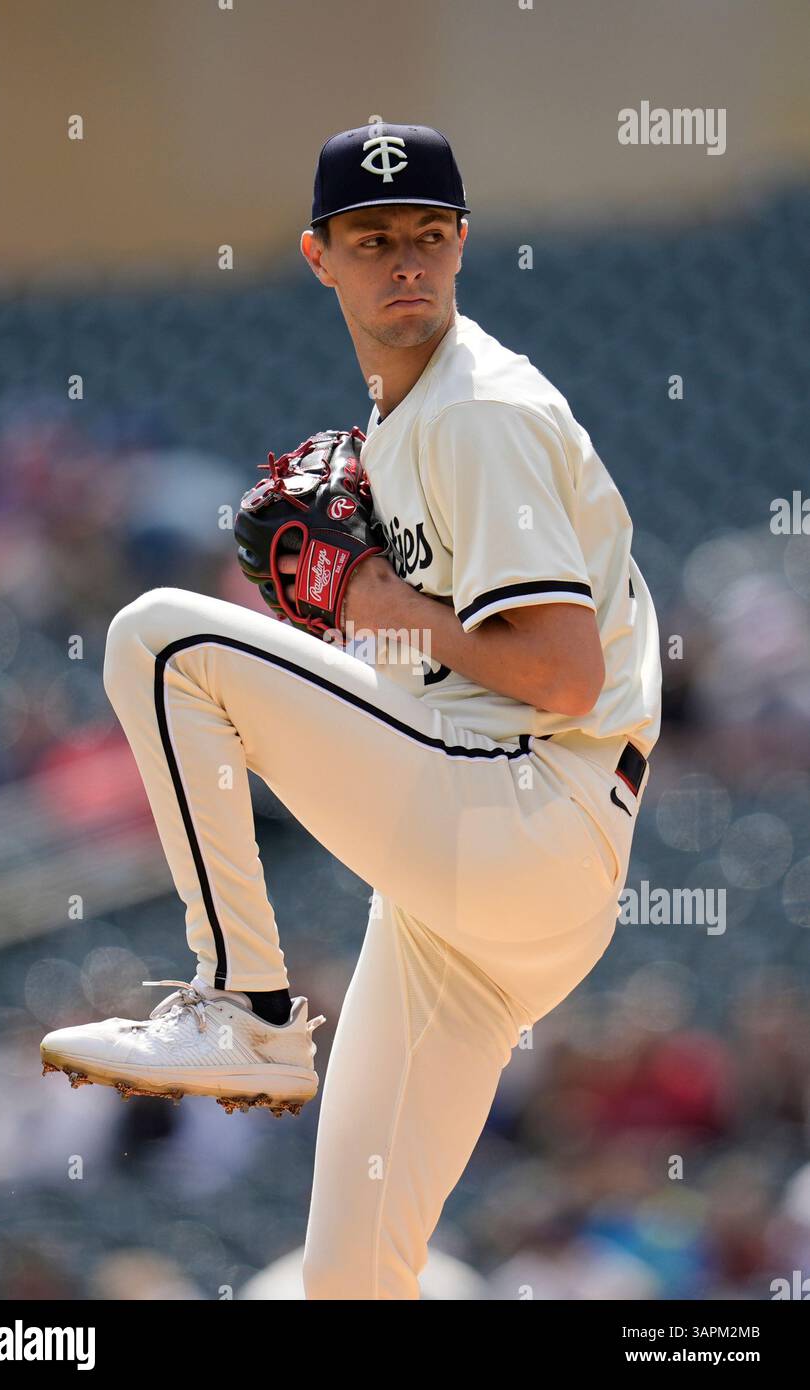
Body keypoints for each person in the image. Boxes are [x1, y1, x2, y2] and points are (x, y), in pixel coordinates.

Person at [40, 117, 661, 1300]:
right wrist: (359, 626)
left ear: (465, 243)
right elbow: (451, 668)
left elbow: (563, 674)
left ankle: (248, 1008)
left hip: (532, 804)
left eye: (427, 234)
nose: (406, 260)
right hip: (474, 895)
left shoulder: (478, 410)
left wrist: (369, 597)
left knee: (162, 639)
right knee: (348, 1281)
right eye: (373, 239)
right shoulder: (403, 425)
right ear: (320, 256)